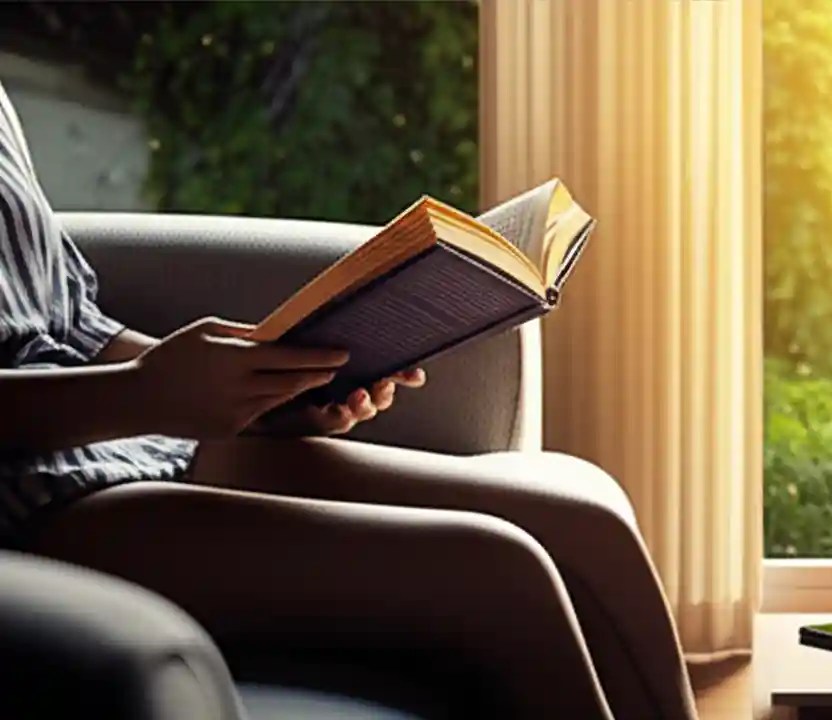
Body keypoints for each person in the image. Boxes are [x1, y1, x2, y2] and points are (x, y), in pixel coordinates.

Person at [0, 82, 693, 720]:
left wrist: (257, 387)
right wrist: (142, 395)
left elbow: (63, 325)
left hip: (118, 431)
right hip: (28, 498)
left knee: (585, 523)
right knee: (497, 570)